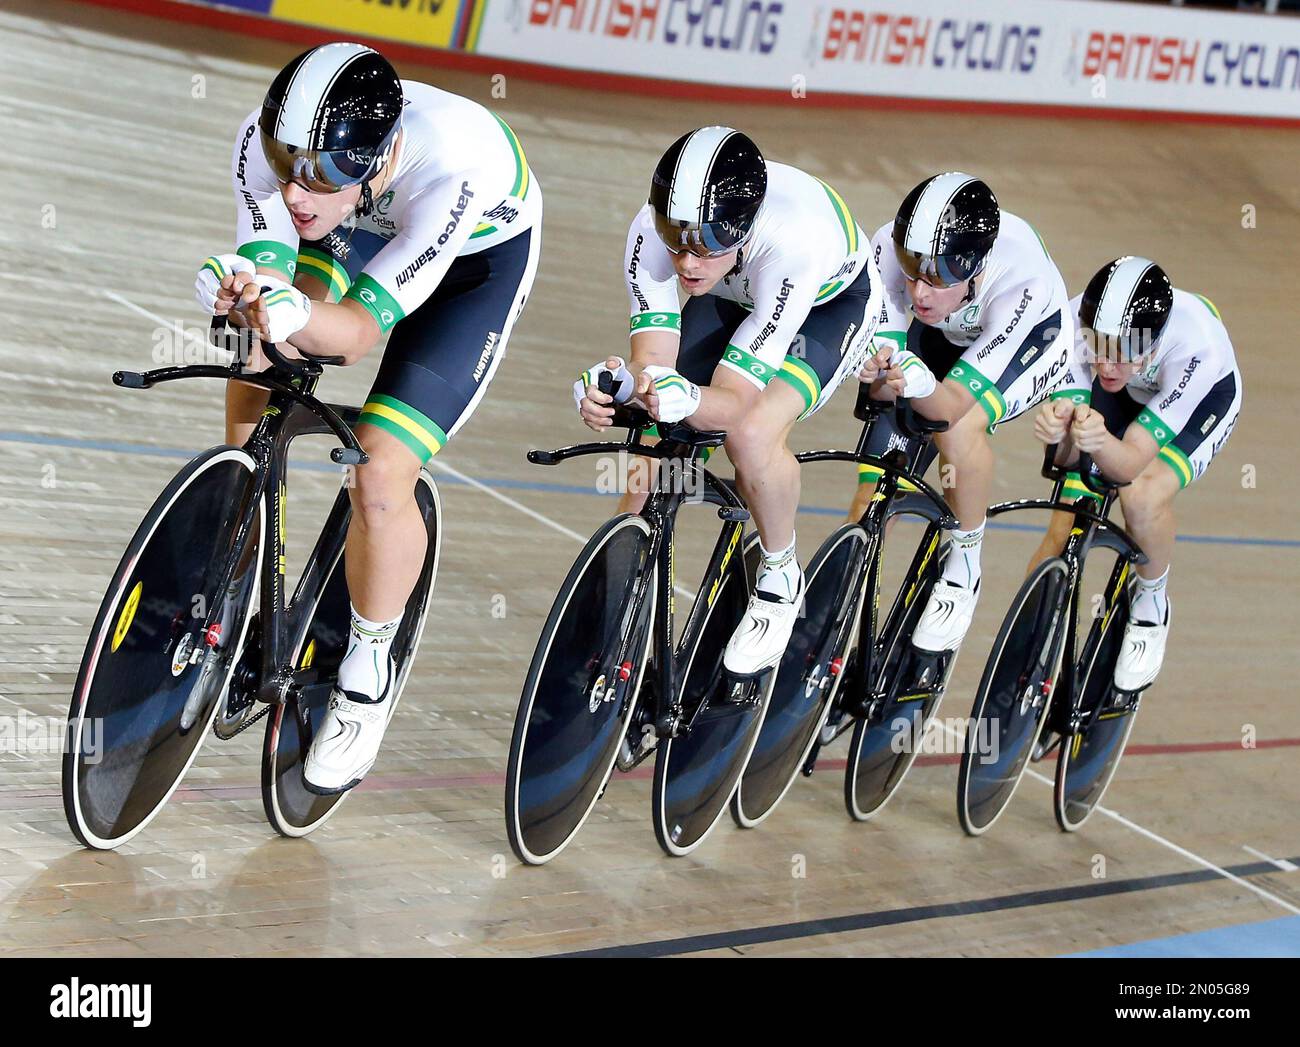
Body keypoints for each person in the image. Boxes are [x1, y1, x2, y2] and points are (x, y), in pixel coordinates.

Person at [193, 42, 541, 793]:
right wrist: (246, 291)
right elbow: (270, 262)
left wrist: (295, 309)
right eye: (290, 164)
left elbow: (353, 335)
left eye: (322, 174)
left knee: (381, 472)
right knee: (261, 347)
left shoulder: (454, 168)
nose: (295, 193)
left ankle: (367, 671)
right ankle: (234, 510)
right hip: (363, 227)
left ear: (378, 158)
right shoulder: (270, 144)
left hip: (471, 267)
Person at [574, 126, 883, 677]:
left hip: (823, 309)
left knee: (751, 434)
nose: (688, 261)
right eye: (677, 239)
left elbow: (734, 403)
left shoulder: (795, 246)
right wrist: (624, 388)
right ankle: (618, 599)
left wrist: (687, 394)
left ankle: (780, 572)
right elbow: (654, 365)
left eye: (707, 243)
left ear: (741, 229)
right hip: (731, 291)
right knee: (655, 448)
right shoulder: (652, 232)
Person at [849, 173, 1074, 655]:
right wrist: (878, 369)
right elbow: (881, 382)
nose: (919, 293)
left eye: (938, 278)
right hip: (943, 336)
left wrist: (915, 380)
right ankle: (838, 610)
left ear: (976, 268)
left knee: (958, 427)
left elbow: (948, 406)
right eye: (912, 273)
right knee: (872, 492)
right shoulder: (890, 248)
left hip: (1029, 342)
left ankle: (965, 560)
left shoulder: (1022, 281)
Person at [1029, 257, 1242, 690]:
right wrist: (1059, 423)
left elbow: (1128, 465)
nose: (1107, 366)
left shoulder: (1196, 345)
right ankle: (1026, 641)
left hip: (1200, 402)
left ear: (1154, 340)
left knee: (1141, 495)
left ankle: (1150, 601)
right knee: (1067, 516)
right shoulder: (1073, 321)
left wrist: (1101, 441)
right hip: (1126, 397)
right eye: (1098, 349)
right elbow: (1066, 457)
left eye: (1123, 355)